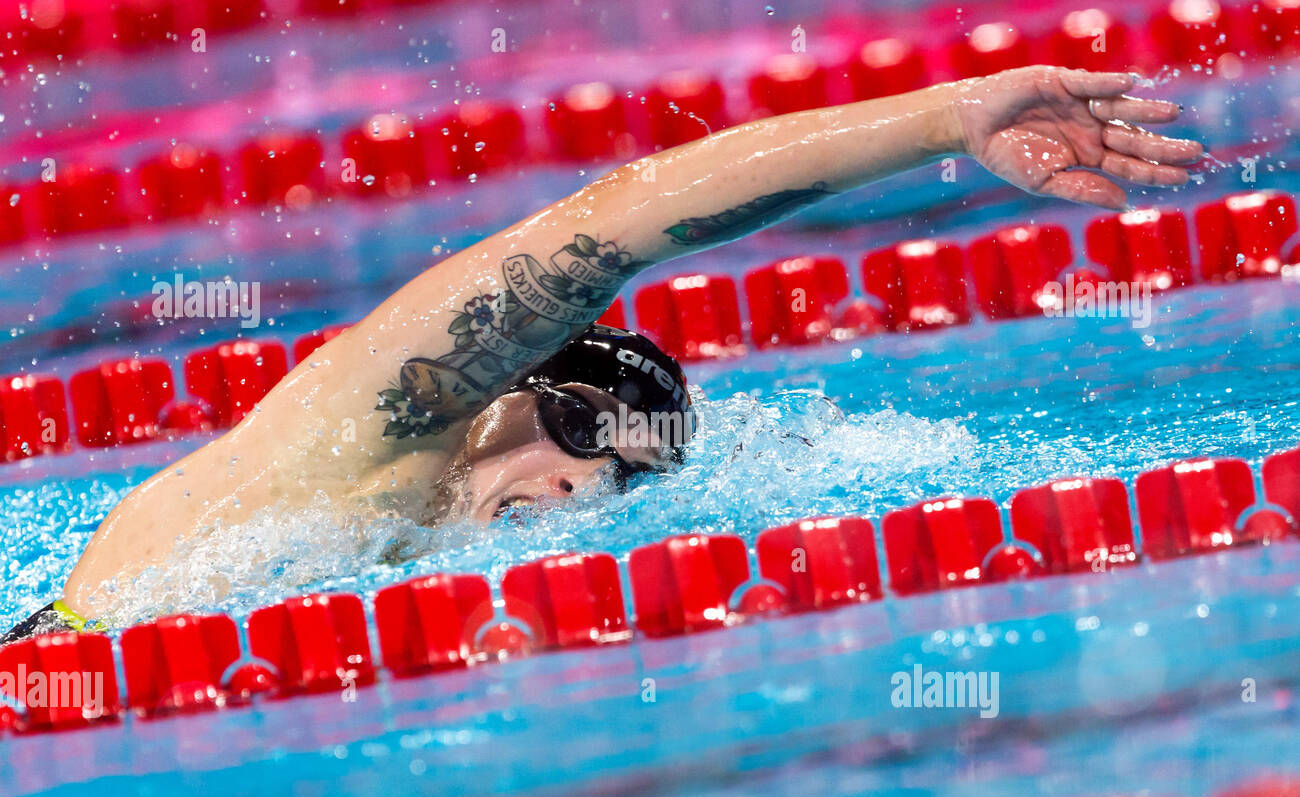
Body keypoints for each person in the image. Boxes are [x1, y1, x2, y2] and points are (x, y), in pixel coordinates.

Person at [7, 66, 1202, 639]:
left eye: (628, 470)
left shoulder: (421, 560)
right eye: (581, 426)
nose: (588, 480)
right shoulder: (369, 428)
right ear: (496, 395)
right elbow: (617, 218)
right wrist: (942, 123)